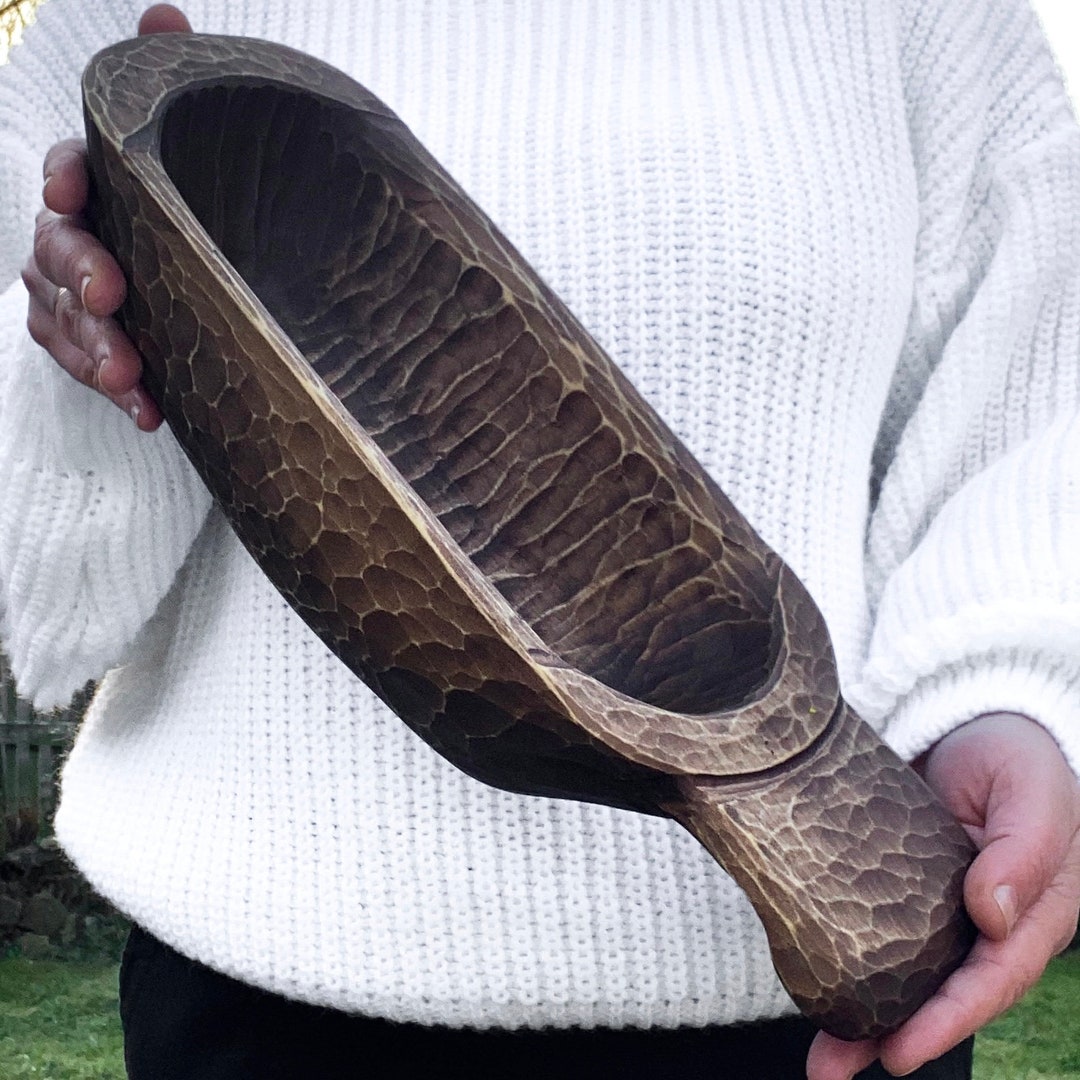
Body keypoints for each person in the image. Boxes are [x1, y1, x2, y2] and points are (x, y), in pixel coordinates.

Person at [2, 1, 1079, 1077]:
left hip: (811, 1021)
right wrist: (93, 364)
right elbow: (54, 606)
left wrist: (1005, 688)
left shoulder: (933, 21)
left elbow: (1032, 404)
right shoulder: (126, 25)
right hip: (261, 1009)